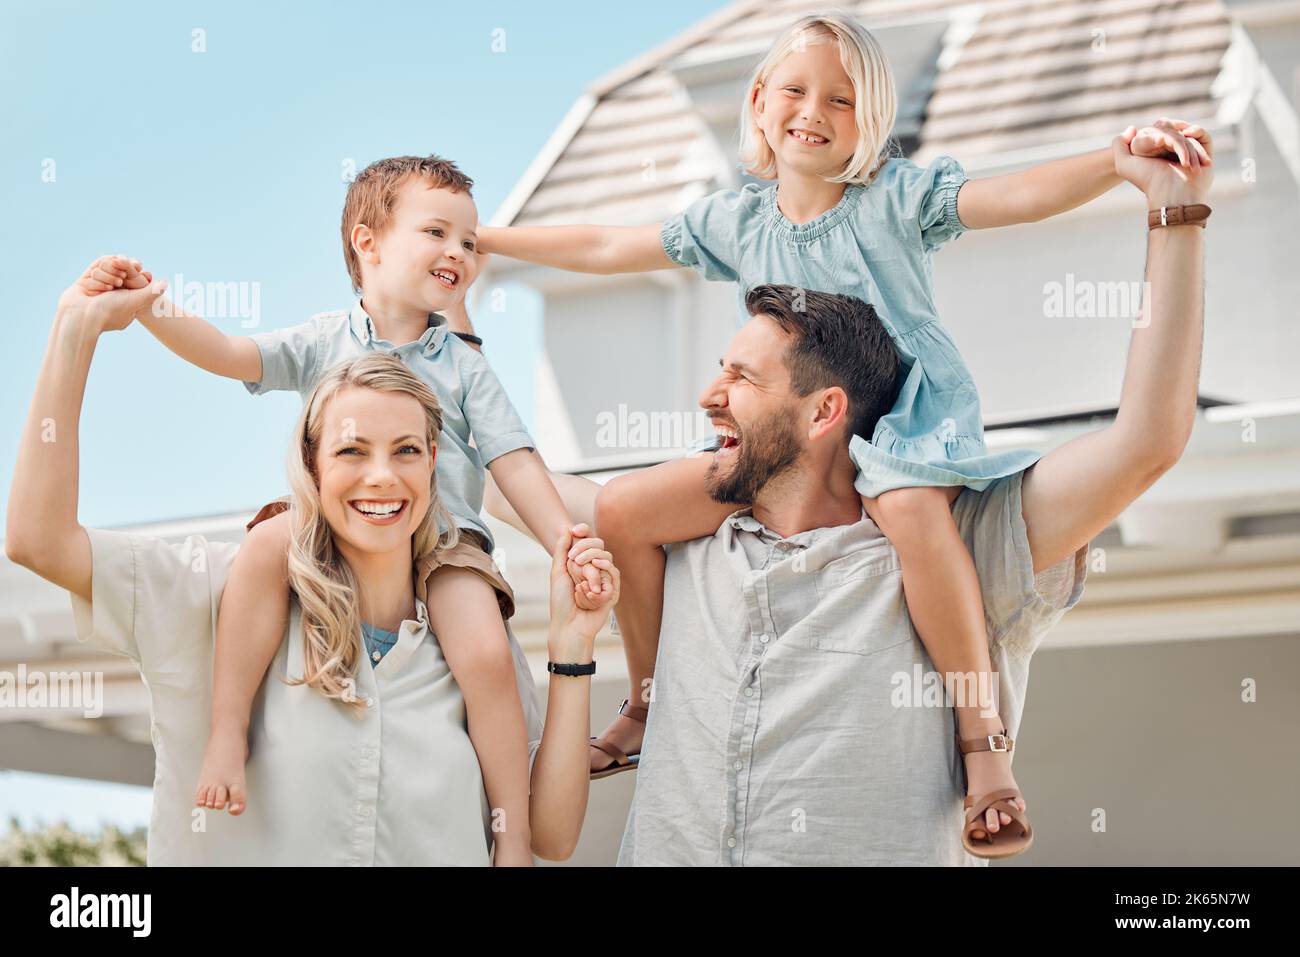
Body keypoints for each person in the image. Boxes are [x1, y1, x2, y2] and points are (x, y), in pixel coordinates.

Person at [476, 11, 1211, 856]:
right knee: (631, 505)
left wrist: (1118, 163)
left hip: (902, 424)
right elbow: (608, 242)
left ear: (874, 122)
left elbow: (1012, 194)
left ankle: (983, 748)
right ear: (757, 103)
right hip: (793, 443)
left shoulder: (893, 202)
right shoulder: (737, 221)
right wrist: (486, 237)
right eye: (794, 89)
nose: (813, 110)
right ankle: (646, 700)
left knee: (910, 514)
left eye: (844, 99)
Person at [76, 154, 607, 867]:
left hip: (445, 541)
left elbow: (513, 460)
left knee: (482, 648)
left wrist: (562, 543)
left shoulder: (462, 362)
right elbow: (231, 353)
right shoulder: (326, 338)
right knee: (266, 543)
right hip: (334, 526)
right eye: (438, 232)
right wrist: (151, 306)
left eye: (470, 242)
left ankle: (509, 831)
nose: (459, 252)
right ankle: (229, 731)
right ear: (368, 241)